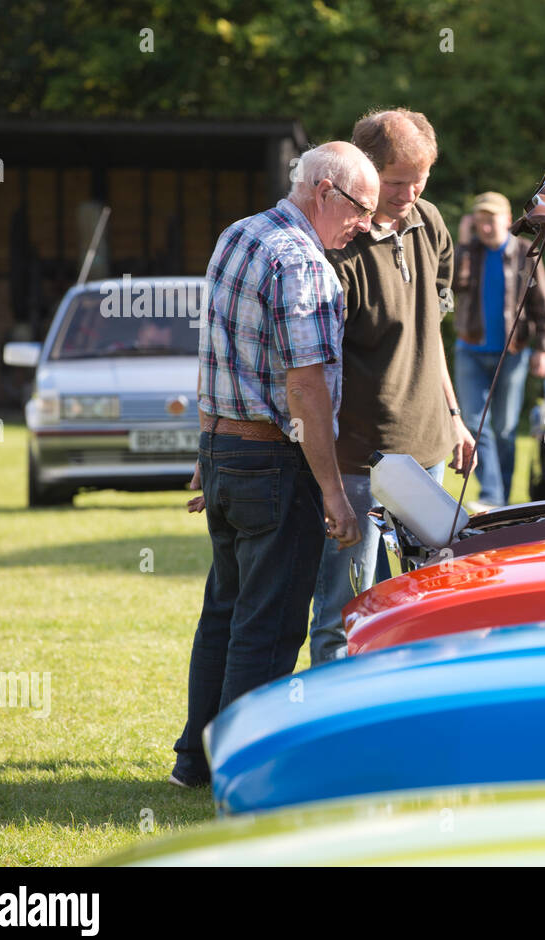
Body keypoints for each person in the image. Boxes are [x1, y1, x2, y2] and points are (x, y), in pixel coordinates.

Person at [168, 141, 379, 788]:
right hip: (272, 460)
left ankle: (195, 762)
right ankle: (246, 774)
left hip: (225, 449)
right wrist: (333, 492)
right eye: (362, 209)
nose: (366, 224)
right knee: (269, 625)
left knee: (225, 613)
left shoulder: (240, 234)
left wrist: (209, 449)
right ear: (326, 192)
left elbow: (215, 353)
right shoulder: (302, 262)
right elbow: (306, 387)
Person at [307, 108, 477, 666]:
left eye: (420, 177)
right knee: (344, 611)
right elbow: (313, 371)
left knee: (430, 606)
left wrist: (453, 415)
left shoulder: (431, 223)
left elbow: (430, 330)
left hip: (428, 448)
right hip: (358, 459)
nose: (409, 192)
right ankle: (334, 731)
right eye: (397, 180)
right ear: (366, 171)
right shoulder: (336, 246)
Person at [453, 191, 545, 508]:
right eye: (480, 221)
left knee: (505, 429)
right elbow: (453, 285)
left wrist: (544, 349)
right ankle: (492, 495)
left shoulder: (526, 254)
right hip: (470, 350)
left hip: (512, 354)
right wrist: (461, 242)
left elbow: (544, 308)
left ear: (507, 219)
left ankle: (506, 500)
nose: (485, 227)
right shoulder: (470, 252)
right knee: (474, 423)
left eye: (491, 220)